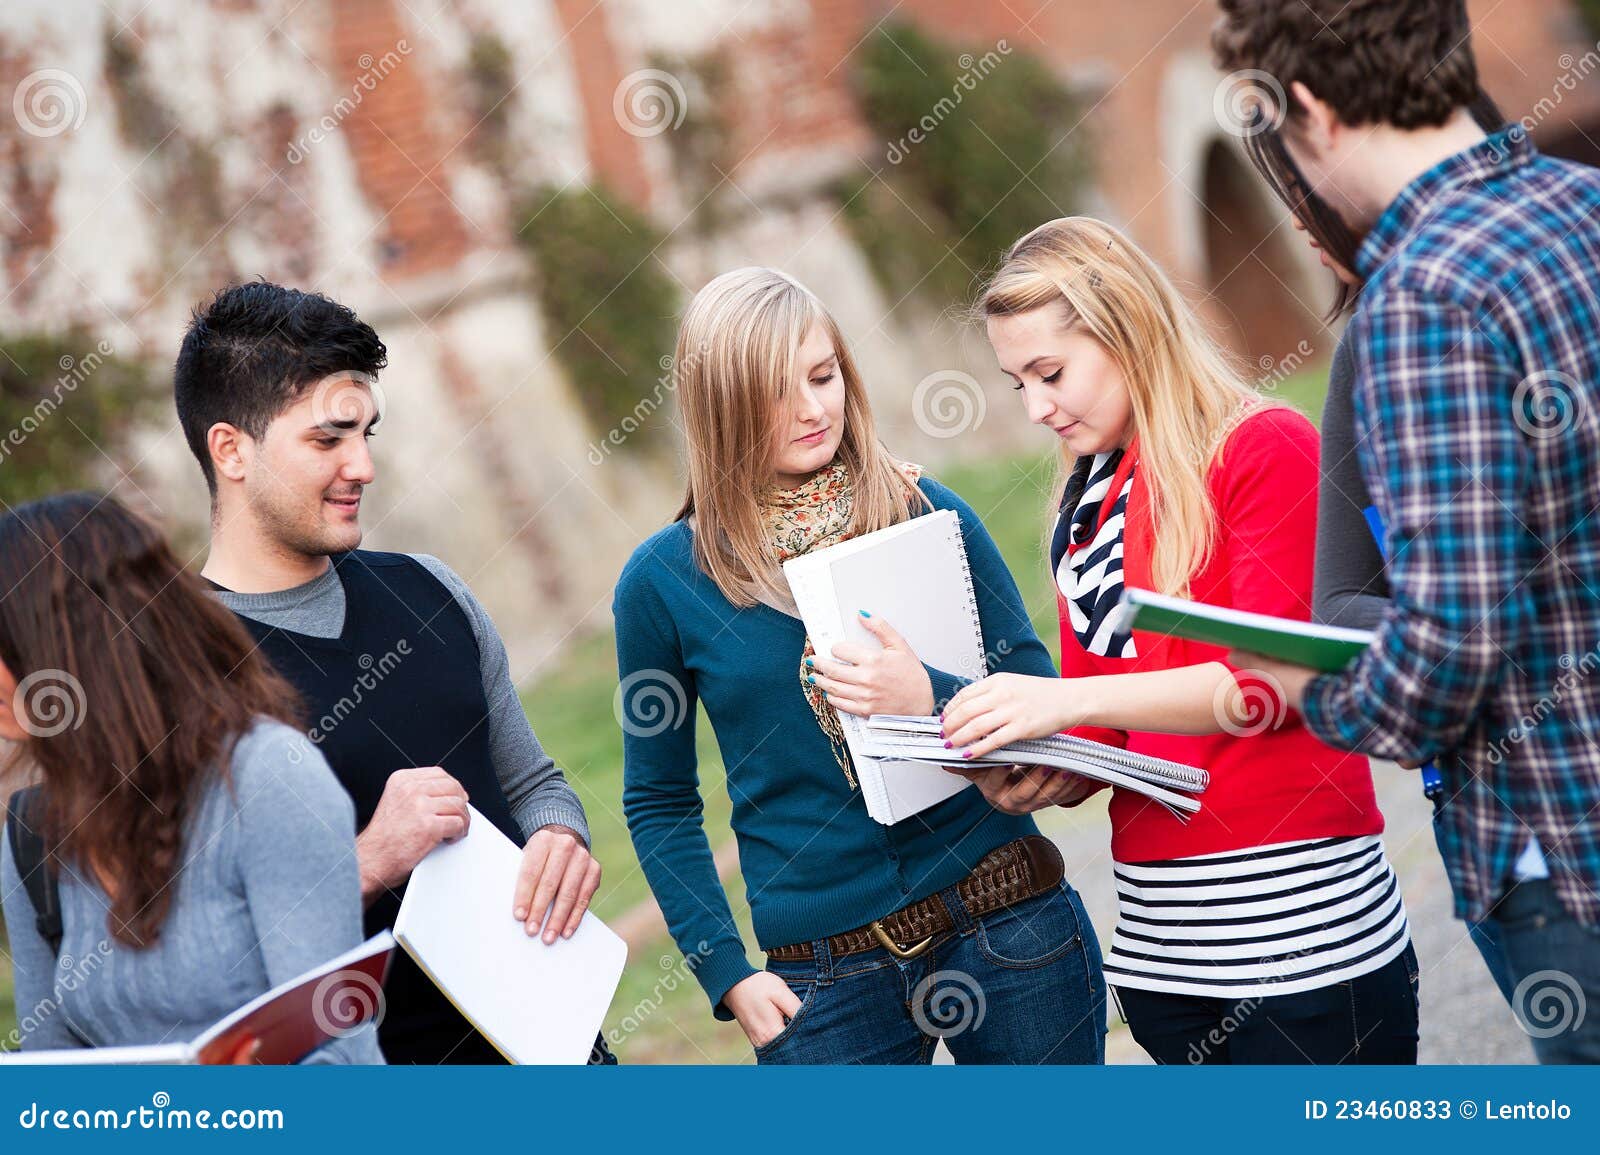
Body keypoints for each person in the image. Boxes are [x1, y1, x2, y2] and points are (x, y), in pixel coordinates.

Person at [1212, 0, 1600, 1062]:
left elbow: (1451, 649)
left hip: (1559, 856)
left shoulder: (1422, 297)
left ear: (1308, 109)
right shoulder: (1586, 202)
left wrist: (1303, 687)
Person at [939, 217, 1417, 1064]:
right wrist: (1047, 764)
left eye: (1050, 373)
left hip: (1299, 936)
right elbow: (1113, 716)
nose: (1038, 407)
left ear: (1127, 327)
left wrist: (1064, 699)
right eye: (1018, 384)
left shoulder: (1262, 445)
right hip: (1165, 952)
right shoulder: (1084, 501)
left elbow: (1271, 685)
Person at [614, 266, 1105, 1064]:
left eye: (823, 374)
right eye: (777, 391)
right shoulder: (663, 581)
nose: (813, 408)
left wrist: (928, 697)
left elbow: (1033, 689)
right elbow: (660, 799)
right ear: (722, 405)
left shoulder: (926, 509)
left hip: (1011, 922)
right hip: (826, 979)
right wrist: (724, 969)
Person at [173, 281, 604, 1065]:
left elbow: (536, 781)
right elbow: (194, 950)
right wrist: (369, 857)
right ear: (231, 450)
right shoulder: (180, 669)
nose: (363, 465)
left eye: (368, 432)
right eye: (328, 440)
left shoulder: (433, 589)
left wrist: (559, 836)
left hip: (565, 1054)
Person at [1239, 89, 1517, 1005]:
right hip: (1492, 793)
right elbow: (1341, 600)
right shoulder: (1370, 338)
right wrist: (1443, 639)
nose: (1301, 222)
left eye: (1304, 189)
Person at [0, 494, 382, 1063]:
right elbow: (50, 1084)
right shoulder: (30, 834)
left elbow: (336, 1059)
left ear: (65, 650)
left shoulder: (267, 777)